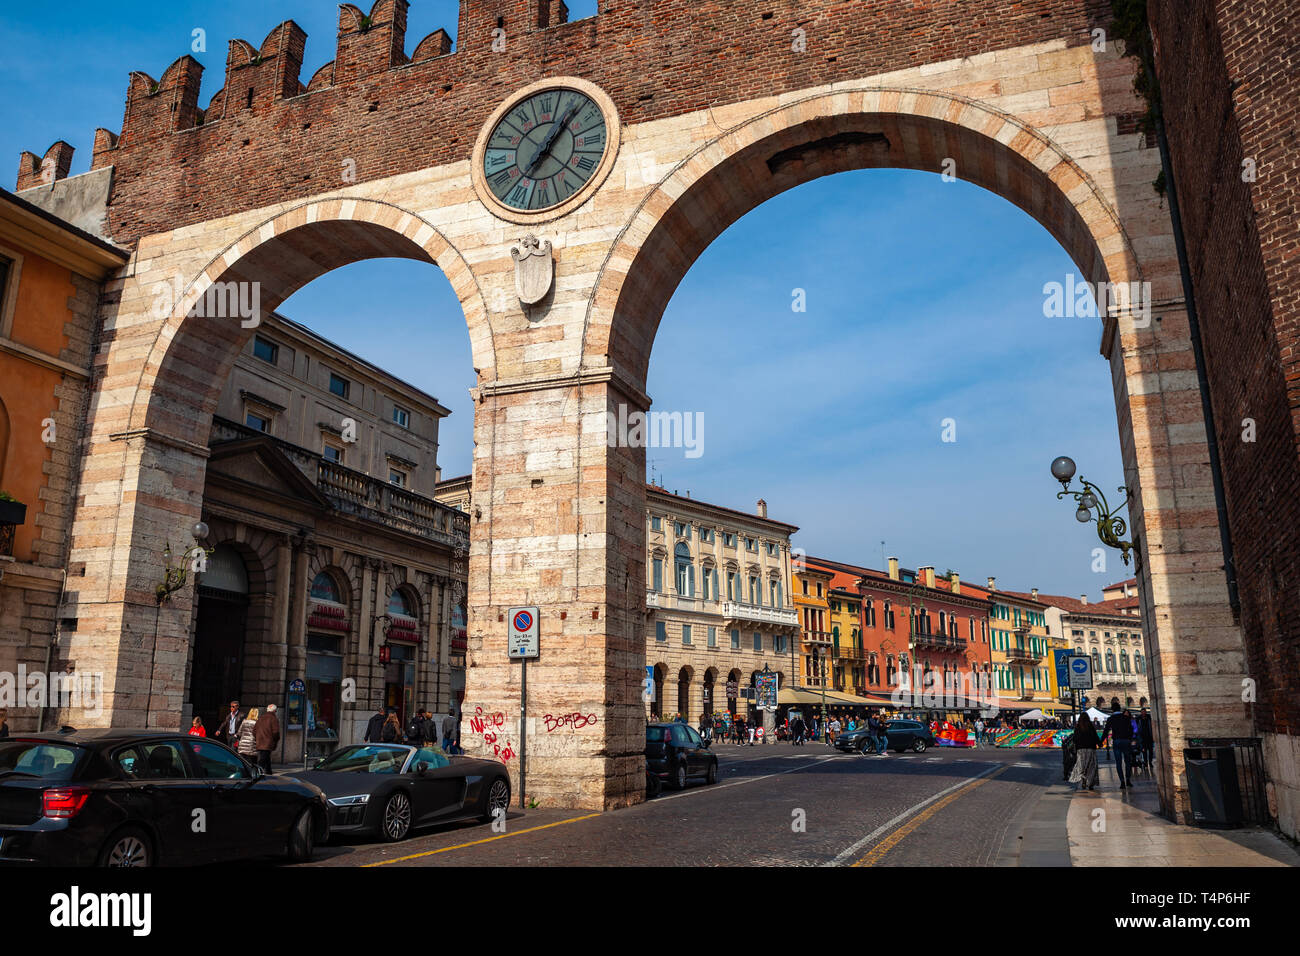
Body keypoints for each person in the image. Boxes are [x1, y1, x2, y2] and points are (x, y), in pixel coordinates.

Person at [1099, 698, 1135, 788]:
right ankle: (1128, 779)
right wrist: (1130, 739)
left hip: (1117, 741)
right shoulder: (1126, 718)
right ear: (1120, 709)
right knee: (1128, 761)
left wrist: (1100, 742)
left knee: (1118, 762)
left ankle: (1122, 782)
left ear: (1112, 710)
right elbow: (1131, 730)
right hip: (1126, 741)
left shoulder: (1111, 719)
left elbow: (1106, 731)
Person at [1070, 709, 1101, 790]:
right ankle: (1090, 783)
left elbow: (1075, 738)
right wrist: (1099, 743)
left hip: (1081, 749)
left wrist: (1075, 746)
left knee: (1082, 766)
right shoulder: (1090, 726)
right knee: (1091, 766)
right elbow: (1095, 736)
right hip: (1090, 748)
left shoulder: (1078, 727)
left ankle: (1084, 780)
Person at [254, 704, 280, 773]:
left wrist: (257, 738)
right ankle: (257, 772)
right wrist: (275, 741)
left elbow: (254, 730)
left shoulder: (261, 718)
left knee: (266, 758)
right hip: (268, 743)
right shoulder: (273, 719)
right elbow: (276, 733)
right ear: (275, 711)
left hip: (260, 741)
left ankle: (269, 772)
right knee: (262, 760)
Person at [1138, 707, 1155, 772]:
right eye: (1142, 712)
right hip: (1143, 738)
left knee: (1150, 751)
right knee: (1144, 751)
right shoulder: (1139, 719)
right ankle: (1145, 763)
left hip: (1149, 737)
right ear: (1141, 713)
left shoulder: (1149, 718)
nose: (1143, 713)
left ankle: (1150, 762)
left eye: (1144, 712)